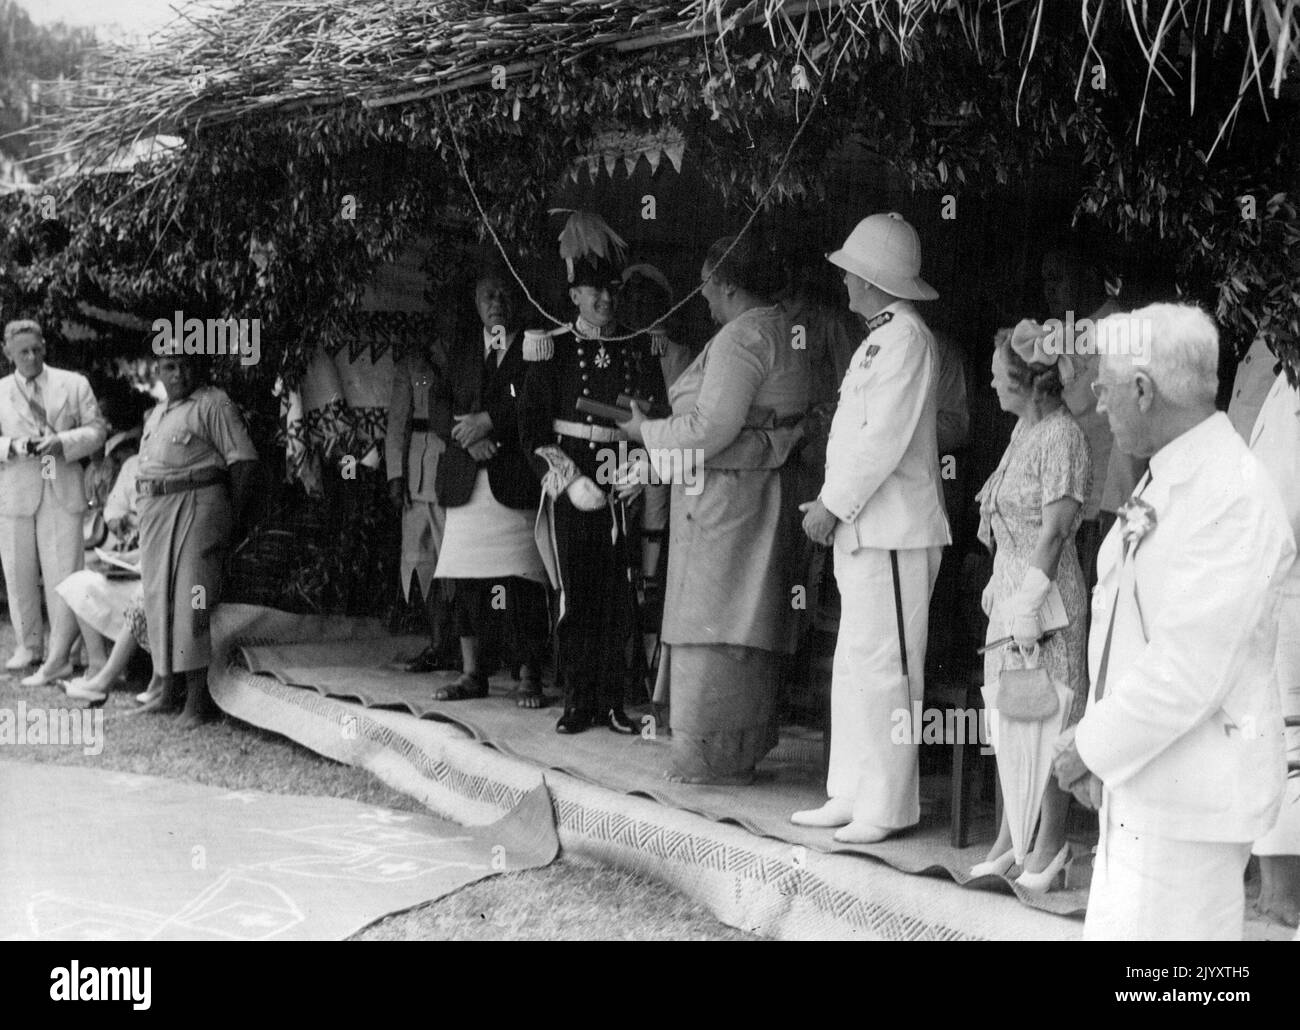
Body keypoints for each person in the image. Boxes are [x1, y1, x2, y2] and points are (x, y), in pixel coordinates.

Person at [1054, 304, 1294, 941]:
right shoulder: (1171, 476)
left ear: (1142, 389)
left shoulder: (1232, 495)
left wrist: (1090, 746)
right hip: (1148, 784)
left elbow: (1188, 670)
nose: (1098, 405)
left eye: (1103, 388)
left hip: (1191, 800)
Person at [619, 234, 810, 783]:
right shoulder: (784, 329)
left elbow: (711, 428)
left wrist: (645, 431)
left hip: (729, 500)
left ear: (727, 285)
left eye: (707, 289)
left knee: (716, 623)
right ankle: (736, 752)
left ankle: (707, 757)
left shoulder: (742, 338)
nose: (703, 300)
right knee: (743, 624)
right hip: (755, 493)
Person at [792, 212, 951, 843]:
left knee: (888, 670)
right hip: (870, 530)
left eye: (853, 271)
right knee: (856, 666)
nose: (845, 282)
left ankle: (887, 805)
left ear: (873, 277)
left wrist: (832, 503)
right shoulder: (882, 337)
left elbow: (880, 438)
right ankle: (852, 792)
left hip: (893, 531)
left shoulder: (906, 339)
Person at [519, 243, 666, 734]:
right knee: (577, 596)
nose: (606, 298)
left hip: (620, 477)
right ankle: (577, 701)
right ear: (574, 294)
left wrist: (642, 466)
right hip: (574, 481)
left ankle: (612, 703)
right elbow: (532, 431)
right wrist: (568, 481)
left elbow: (660, 420)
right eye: (595, 290)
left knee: (620, 595)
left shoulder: (639, 345)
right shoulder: (551, 347)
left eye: (613, 289)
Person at [969, 321, 1091, 889]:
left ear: (1029, 382)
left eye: (998, 375)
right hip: (1013, 595)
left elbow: (1056, 530)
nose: (991, 383)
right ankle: (1010, 839)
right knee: (1013, 722)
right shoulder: (1023, 431)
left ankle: (1051, 847)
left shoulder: (1062, 435)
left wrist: (1029, 598)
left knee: (1047, 718)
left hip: (1046, 601)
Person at [430, 271, 549, 706]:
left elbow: (535, 401)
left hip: (513, 475)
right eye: (487, 295)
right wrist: (465, 436)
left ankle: (528, 675)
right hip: (466, 477)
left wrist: (491, 423)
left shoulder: (534, 348)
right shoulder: (462, 350)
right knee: (465, 580)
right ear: (476, 304)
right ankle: (471, 674)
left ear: (515, 301)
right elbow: (437, 402)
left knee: (521, 580)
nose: (495, 302)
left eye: (503, 294)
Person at [135, 354, 258, 726]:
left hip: (198, 507)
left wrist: (229, 517)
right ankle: (167, 691)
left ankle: (196, 701)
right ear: (157, 371)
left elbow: (245, 462)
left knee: (193, 598)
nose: (179, 373)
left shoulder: (213, 402)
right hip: (157, 512)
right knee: (159, 600)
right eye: (169, 366)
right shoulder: (157, 414)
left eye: (186, 364)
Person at [0, 319, 106, 671]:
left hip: (61, 483)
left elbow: (97, 431)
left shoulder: (72, 384)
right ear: (8, 353)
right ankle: (28, 646)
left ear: (44, 346)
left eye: (36, 349)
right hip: (16, 488)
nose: (30, 357)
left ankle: (66, 651)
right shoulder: (0, 391)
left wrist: (63, 442)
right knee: (18, 571)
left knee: (65, 572)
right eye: (22, 352)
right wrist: (11, 447)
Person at [1042, 241, 1131, 596]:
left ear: (1090, 275)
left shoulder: (1120, 331)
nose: (1049, 289)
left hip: (1100, 509)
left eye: (1058, 278)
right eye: (1045, 280)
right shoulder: (1068, 332)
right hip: (1065, 504)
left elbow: (1079, 404)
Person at [22, 434, 143, 688]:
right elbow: (113, 507)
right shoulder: (133, 465)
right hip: (125, 546)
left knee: (80, 580)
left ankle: (88, 662)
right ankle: (56, 660)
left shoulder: (173, 479)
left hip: (144, 565)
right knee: (74, 581)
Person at [1245, 369, 1300, 926]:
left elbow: (1286, 503)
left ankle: (1284, 892)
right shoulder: (1285, 382)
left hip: (1291, 589)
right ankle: (1275, 885)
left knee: (1290, 739)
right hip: (1276, 584)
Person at [386, 334, 458, 672]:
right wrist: (394, 475)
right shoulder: (412, 365)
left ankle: (465, 646)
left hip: (457, 473)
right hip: (416, 476)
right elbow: (396, 424)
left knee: (457, 562)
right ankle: (438, 643)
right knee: (421, 562)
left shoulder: (469, 356)